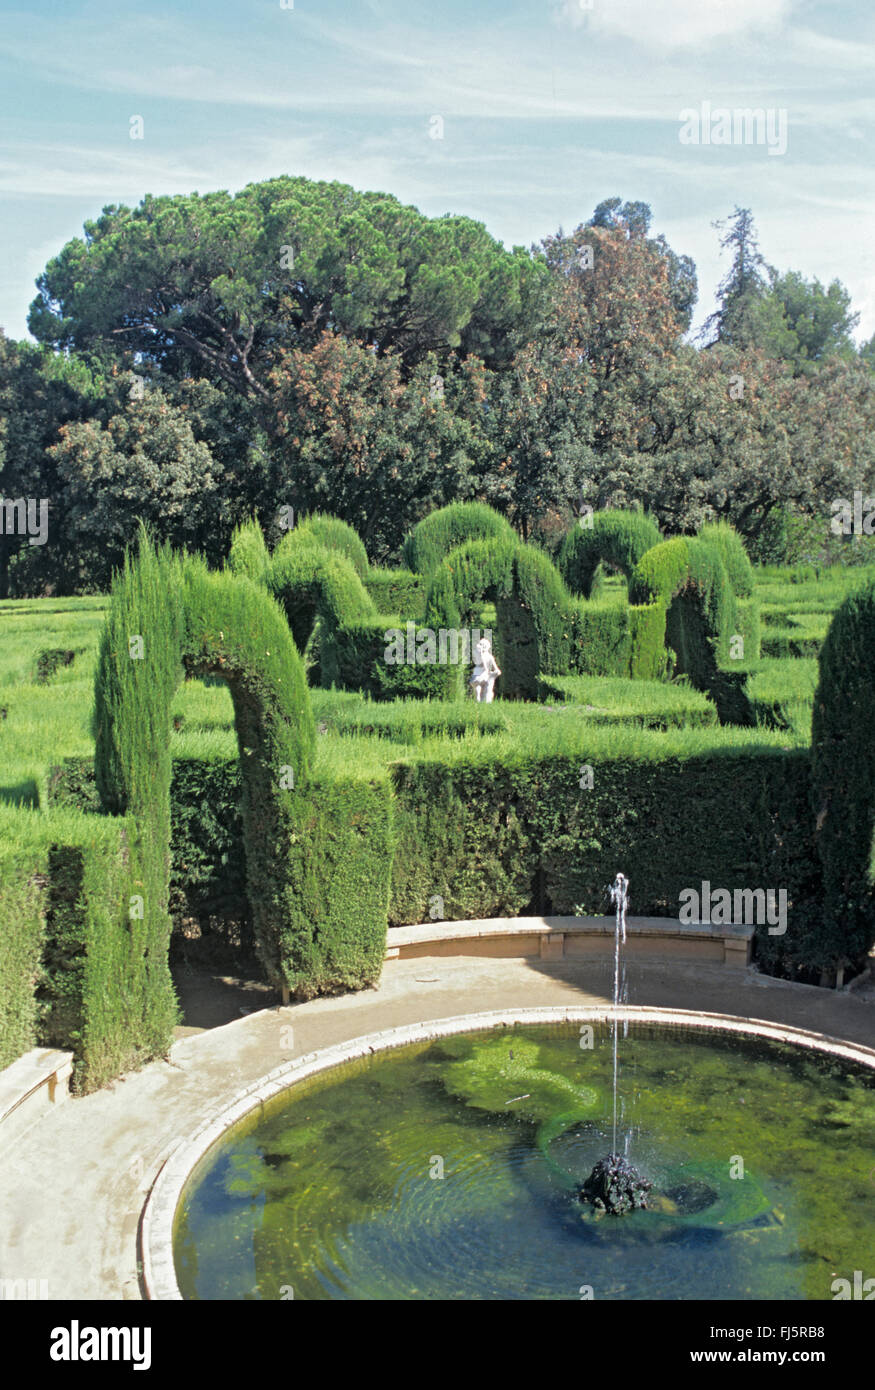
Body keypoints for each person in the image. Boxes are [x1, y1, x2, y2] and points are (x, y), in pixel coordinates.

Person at [469, 636, 501, 702]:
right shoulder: (483, 656)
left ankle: (480, 698)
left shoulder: (488, 656)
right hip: (481, 674)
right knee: (479, 686)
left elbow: (495, 667)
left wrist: (496, 671)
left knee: (481, 687)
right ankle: (479, 698)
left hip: (482, 674)